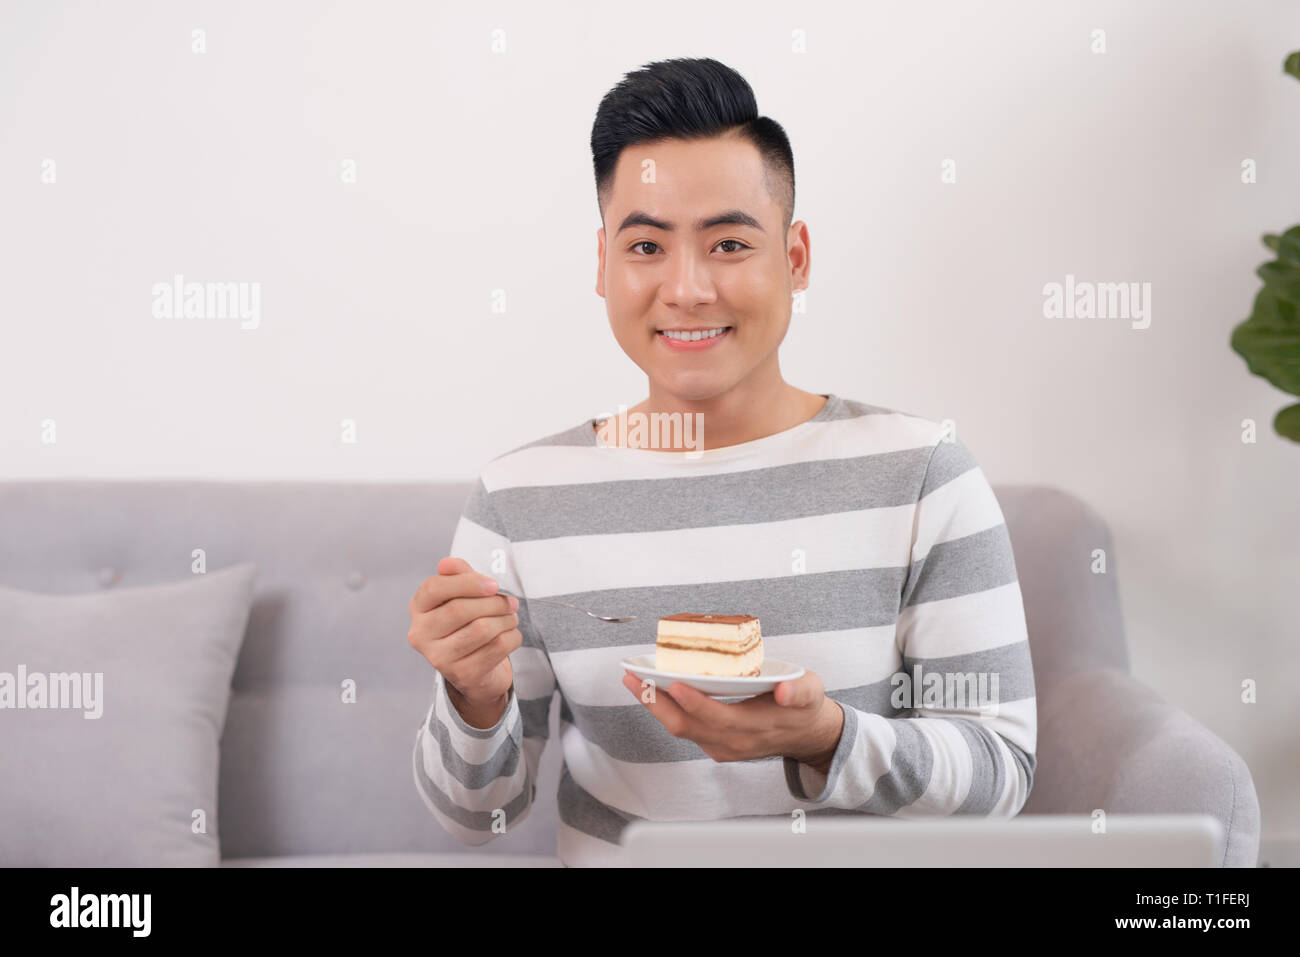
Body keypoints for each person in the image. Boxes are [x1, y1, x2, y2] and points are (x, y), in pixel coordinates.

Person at [408, 57, 1036, 867]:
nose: (688, 288)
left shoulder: (923, 473)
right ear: (603, 266)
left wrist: (828, 742)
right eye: (646, 245)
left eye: (730, 243)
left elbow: (1002, 776)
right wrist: (474, 697)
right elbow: (475, 817)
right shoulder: (519, 498)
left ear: (797, 257)